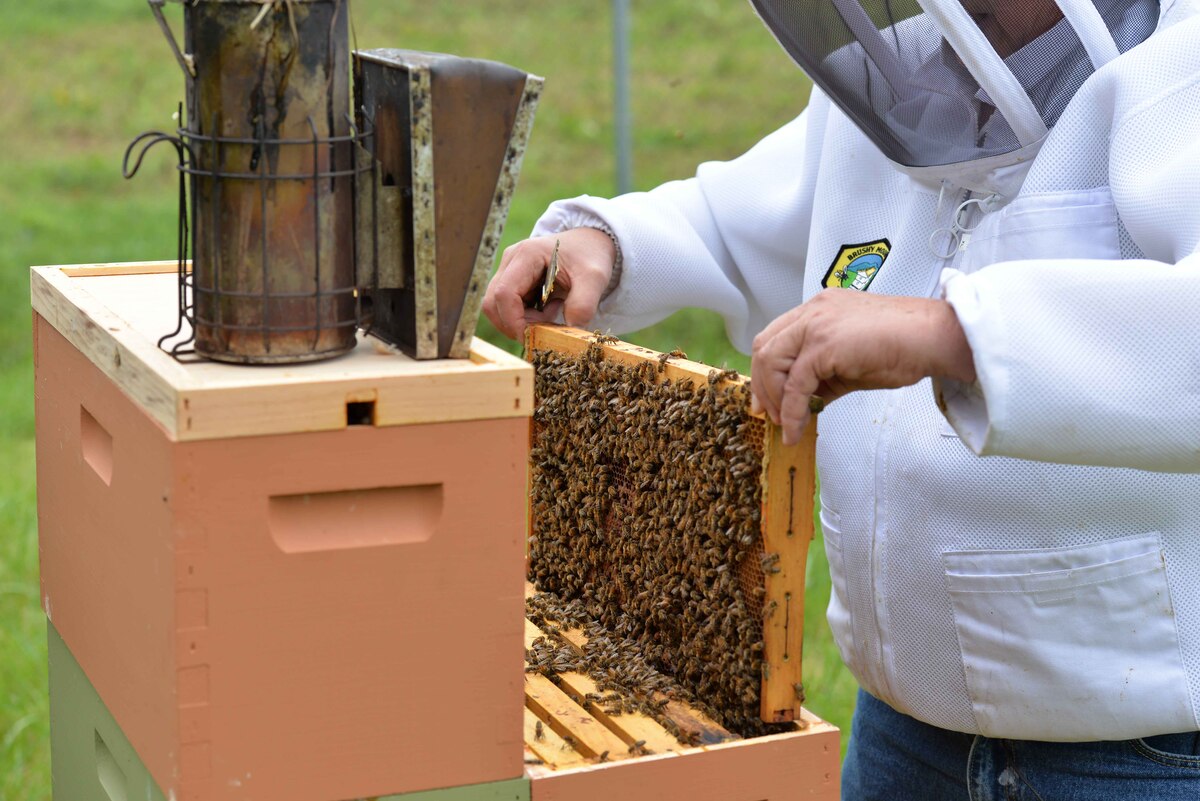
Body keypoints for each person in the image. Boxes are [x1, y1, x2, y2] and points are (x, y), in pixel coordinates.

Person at [483, 0, 1200, 797]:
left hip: (1136, 757)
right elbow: (749, 214)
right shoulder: (914, 70)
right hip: (901, 731)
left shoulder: (1181, 69)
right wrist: (609, 245)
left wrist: (955, 334)